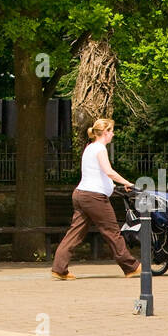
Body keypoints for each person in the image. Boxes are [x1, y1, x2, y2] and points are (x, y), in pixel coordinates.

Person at [50, 117, 142, 280]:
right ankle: (131, 266)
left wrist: (113, 186)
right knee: (112, 232)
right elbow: (109, 171)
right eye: (111, 131)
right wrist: (128, 182)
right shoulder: (100, 149)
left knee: (75, 233)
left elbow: (96, 173)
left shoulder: (89, 148)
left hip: (81, 195)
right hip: (94, 198)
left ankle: (59, 268)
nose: (113, 134)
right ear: (105, 132)